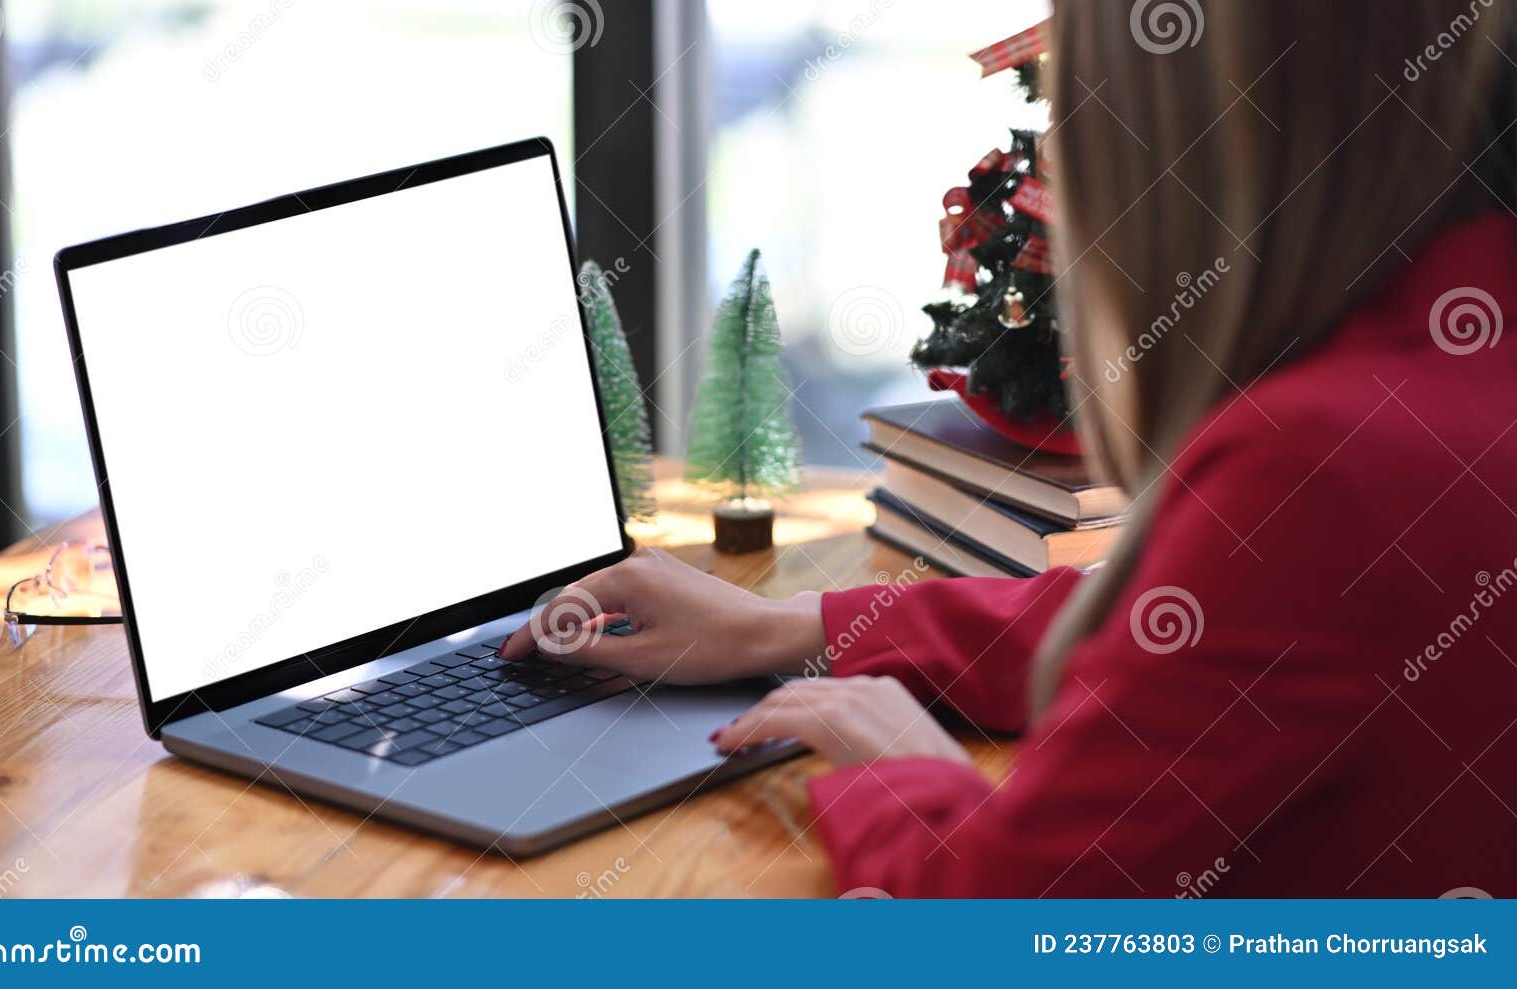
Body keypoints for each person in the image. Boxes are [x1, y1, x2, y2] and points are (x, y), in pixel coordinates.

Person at [503, 1, 1517, 896]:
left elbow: (1002, 919)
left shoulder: (1324, 458)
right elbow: (1189, 626)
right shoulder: (1457, 349)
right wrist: (788, 627)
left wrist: (899, 765)